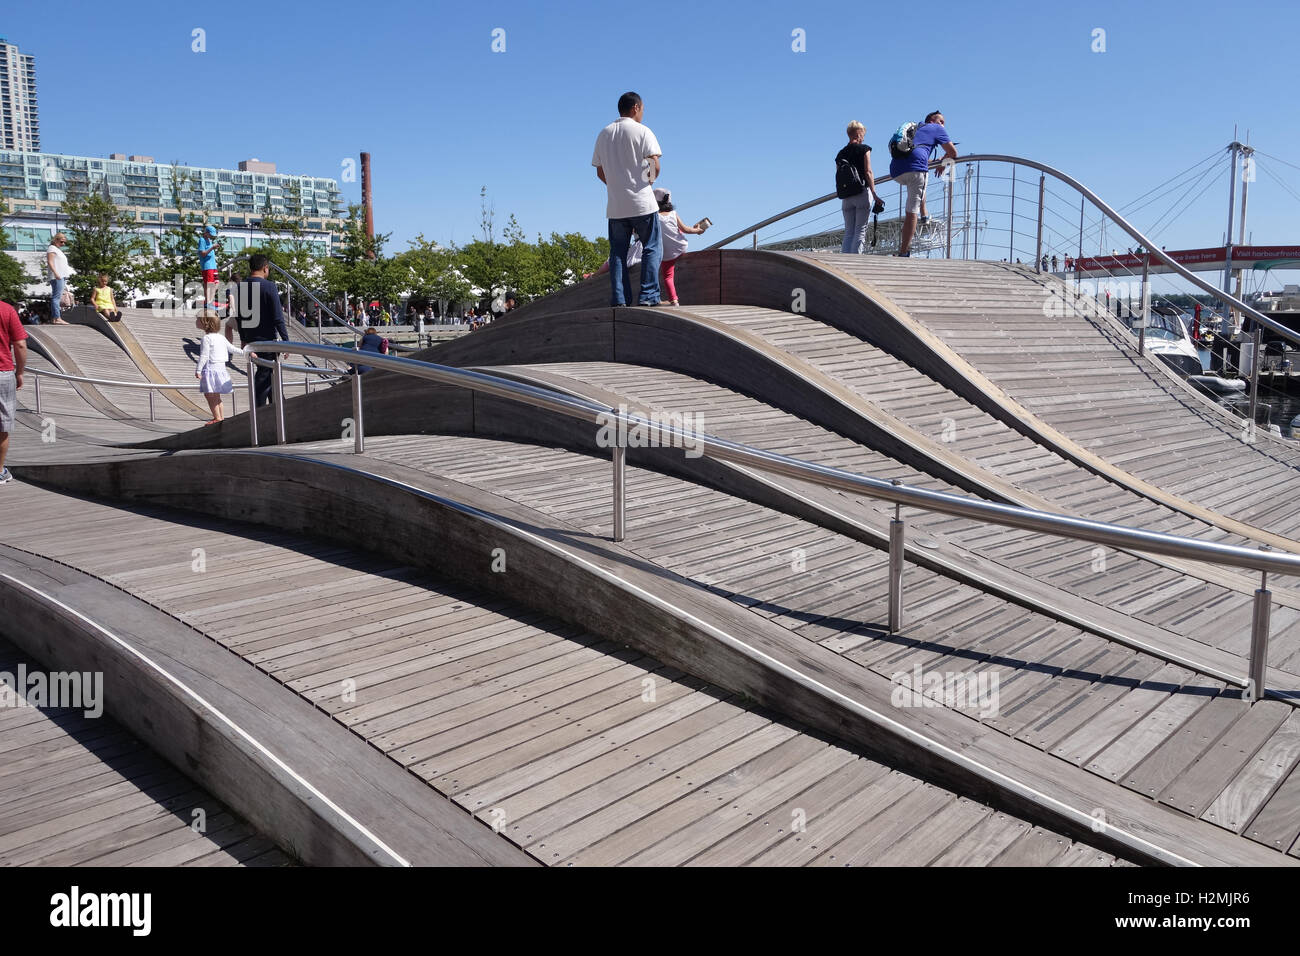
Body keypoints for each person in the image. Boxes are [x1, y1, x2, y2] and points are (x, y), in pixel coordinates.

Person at [592, 91, 664, 307]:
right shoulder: (642, 131)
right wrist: (647, 181)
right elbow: (654, 162)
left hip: (616, 206)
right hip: (642, 202)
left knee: (617, 254)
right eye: (642, 109)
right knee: (651, 247)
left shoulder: (604, 134)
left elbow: (599, 171)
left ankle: (620, 299)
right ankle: (649, 296)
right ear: (636, 108)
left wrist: (617, 186)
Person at [889, 111, 957, 257]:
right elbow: (953, 152)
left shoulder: (916, 129)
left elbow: (918, 155)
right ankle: (904, 251)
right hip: (915, 170)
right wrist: (944, 162)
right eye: (942, 121)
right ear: (932, 120)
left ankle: (924, 213)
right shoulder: (937, 129)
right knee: (911, 212)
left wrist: (936, 161)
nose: (943, 125)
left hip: (896, 170)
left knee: (919, 183)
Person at [228, 253, 288, 407]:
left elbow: (240, 316)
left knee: (269, 374)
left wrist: (243, 339)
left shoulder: (240, 287)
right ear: (265, 268)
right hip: (267, 340)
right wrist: (286, 341)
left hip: (251, 338)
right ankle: (261, 410)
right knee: (265, 374)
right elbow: (278, 317)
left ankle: (278, 404)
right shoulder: (269, 286)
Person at [653, 188, 707, 305]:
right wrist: (697, 230)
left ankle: (674, 300)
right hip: (680, 247)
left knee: (668, 276)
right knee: (677, 231)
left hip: (666, 252)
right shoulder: (673, 214)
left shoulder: (654, 217)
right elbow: (685, 229)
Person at [836, 121, 882, 254]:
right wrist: (874, 193)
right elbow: (868, 172)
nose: (864, 137)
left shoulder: (840, 154)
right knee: (860, 231)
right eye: (863, 134)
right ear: (858, 134)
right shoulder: (864, 149)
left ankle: (845, 261)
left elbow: (839, 176)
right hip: (861, 193)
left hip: (846, 197)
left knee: (849, 232)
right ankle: (855, 261)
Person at [194, 311, 242, 424]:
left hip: (210, 369)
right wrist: (247, 352)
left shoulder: (206, 338)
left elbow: (204, 355)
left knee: (209, 394)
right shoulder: (221, 337)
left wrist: (198, 370)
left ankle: (217, 417)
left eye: (198, 320)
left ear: (205, 323)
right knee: (216, 395)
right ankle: (220, 417)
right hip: (221, 370)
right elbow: (233, 349)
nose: (196, 322)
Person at [0, 299, 27, 485]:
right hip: (2, 373)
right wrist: (20, 373)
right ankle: (0, 471)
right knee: (2, 425)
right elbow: (20, 345)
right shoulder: (7, 310)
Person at [45, 232, 73, 325]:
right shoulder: (52, 249)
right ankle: (57, 317)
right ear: (56, 240)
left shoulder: (56, 249)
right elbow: (50, 262)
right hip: (58, 276)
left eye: (64, 242)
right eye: (61, 242)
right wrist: (56, 273)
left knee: (56, 297)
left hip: (61, 275)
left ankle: (54, 318)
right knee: (56, 297)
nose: (63, 244)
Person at [198, 225, 219, 310]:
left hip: (213, 265)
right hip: (207, 266)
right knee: (209, 284)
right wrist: (212, 248)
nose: (212, 236)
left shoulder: (208, 240)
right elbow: (202, 253)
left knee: (217, 283)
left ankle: (209, 301)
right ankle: (208, 302)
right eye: (211, 235)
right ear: (206, 233)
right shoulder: (202, 240)